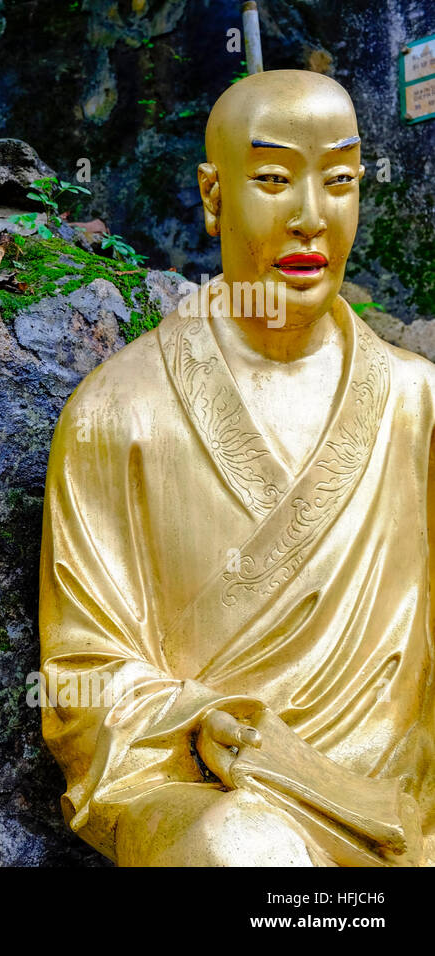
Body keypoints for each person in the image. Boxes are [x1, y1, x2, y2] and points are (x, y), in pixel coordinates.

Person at [39, 70, 435, 866]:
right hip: (207, 793)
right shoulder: (117, 412)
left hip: (398, 802)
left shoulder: (415, 402)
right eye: (275, 180)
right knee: (242, 851)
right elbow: (78, 680)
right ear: (214, 194)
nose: (311, 217)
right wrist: (198, 718)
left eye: (341, 181)